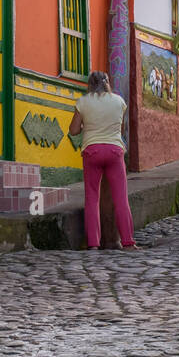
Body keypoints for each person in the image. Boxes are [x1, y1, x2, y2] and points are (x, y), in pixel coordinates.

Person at [69, 71, 136, 250]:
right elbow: (120, 130)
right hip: (114, 151)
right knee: (121, 198)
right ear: (107, 83)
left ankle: (93, 244)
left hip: (92, 151)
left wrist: (86, 125)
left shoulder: (83, 102)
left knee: (92, 198)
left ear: (90, 84)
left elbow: (73, 130)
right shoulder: (118, 101)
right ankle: (128, 242)